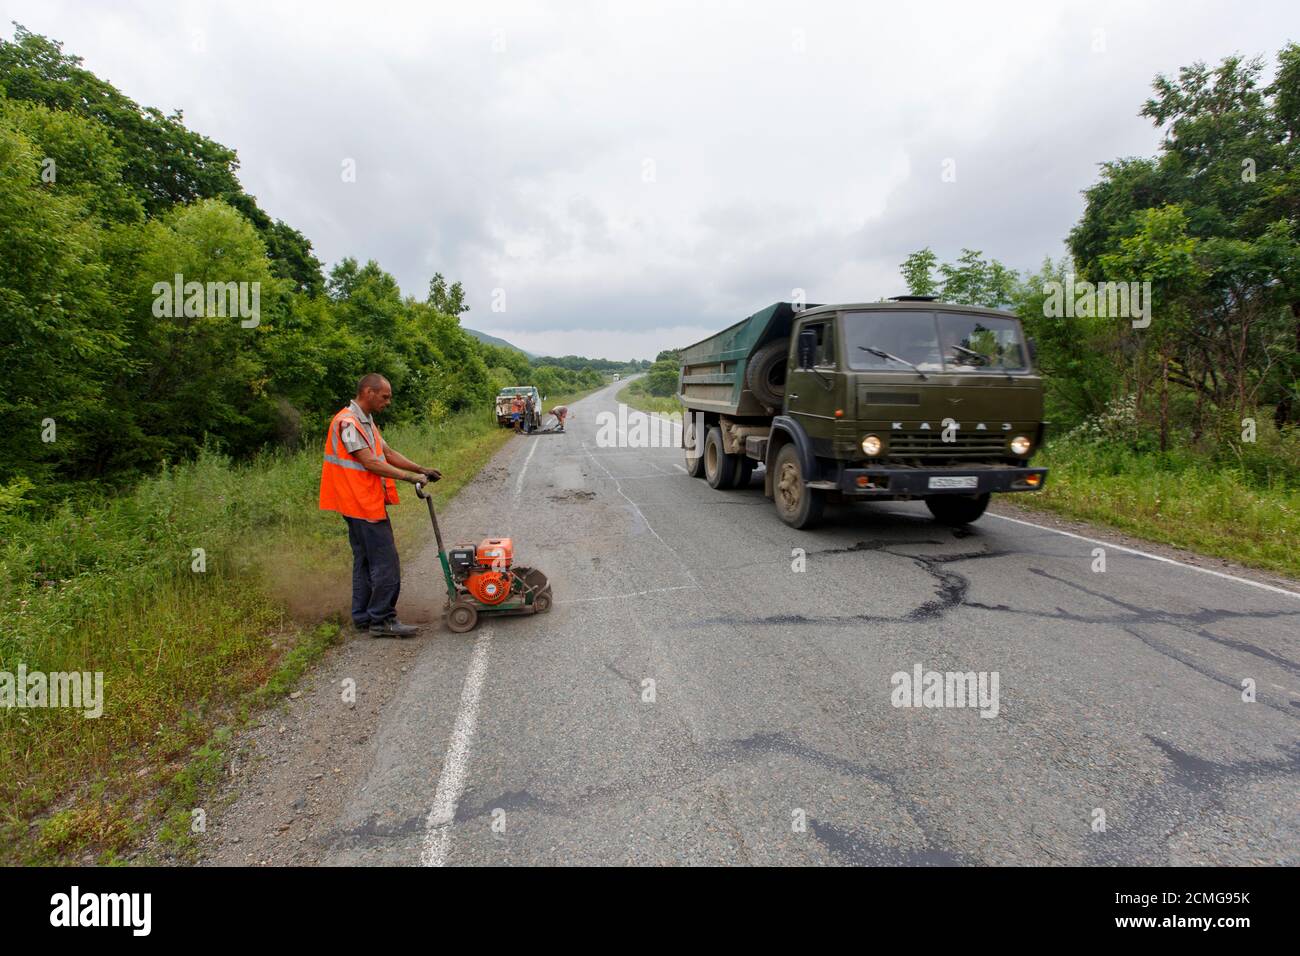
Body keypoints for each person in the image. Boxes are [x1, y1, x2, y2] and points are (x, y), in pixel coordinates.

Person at [319, 373, 441, 638]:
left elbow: (386, 453)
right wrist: (411, 478)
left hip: (362, 503)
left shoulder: (365, 421)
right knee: (386, 563)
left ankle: (363, 616)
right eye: (385, 396)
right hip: (360, 505)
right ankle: (383, 619)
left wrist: (421, 468)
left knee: (364, 562)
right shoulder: (347, 423)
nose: (388, 402)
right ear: (368, 392)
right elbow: (370, 462)